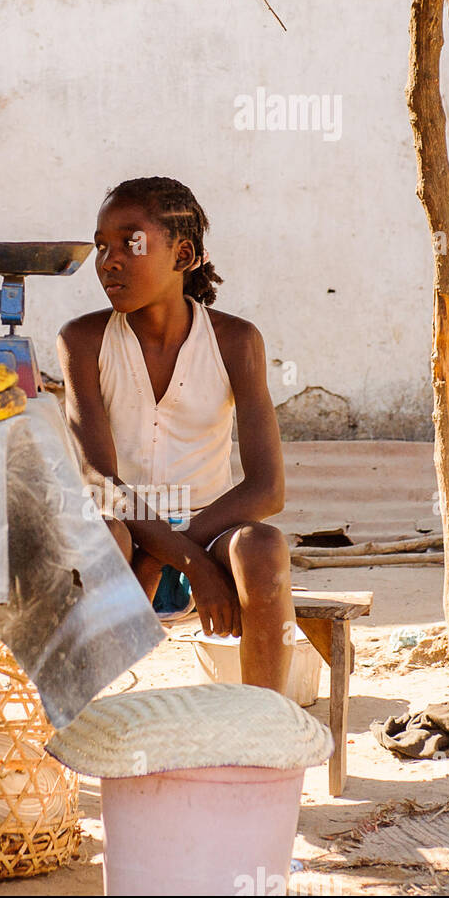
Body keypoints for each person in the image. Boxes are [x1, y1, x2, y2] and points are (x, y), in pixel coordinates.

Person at [56, 176, 292, 691]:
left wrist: (179, 554)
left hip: (212, 533)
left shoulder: (235, 341)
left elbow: (267, 490)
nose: (109, 260)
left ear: (182, 254)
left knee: (262, 546)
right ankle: (83, 714)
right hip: (127, 533)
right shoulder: (83, 340)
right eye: (101, 246)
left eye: (130, 242)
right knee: (102, 531)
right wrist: (179, 560)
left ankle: (265, 728)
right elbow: (99, 479)